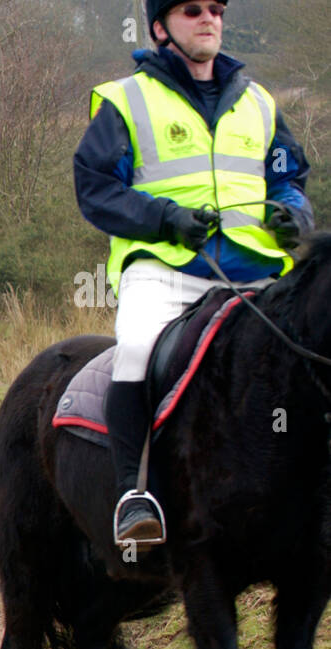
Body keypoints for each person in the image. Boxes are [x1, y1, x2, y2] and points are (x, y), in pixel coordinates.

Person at [75, 0, 312, 545]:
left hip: (255, 274)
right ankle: (134, 495)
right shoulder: (124, 101)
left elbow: (288, 178)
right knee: (135, 347)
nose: (208, 19)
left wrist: (292, 213)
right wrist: (165, 218)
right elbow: (96, 189)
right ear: (160, 27)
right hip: (165, 267)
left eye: (215, 9)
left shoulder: (259, 102)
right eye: (191, 10)